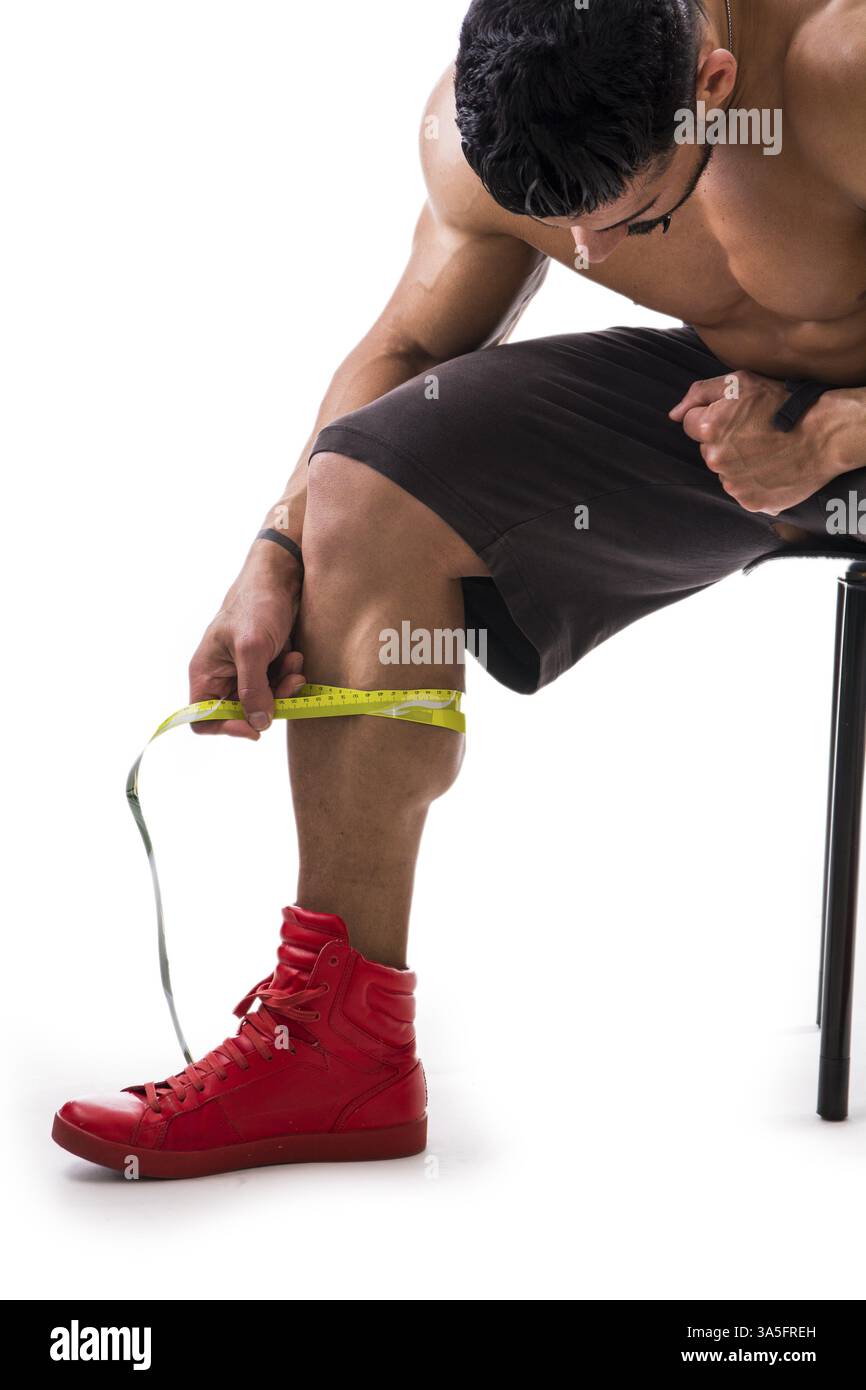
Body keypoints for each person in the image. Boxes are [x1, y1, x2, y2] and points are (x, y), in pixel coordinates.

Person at [54, 0, 866, 1177]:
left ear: (718, 83)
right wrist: (275, 550)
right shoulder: (475, 127)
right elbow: (409, 352)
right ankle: (341, 1046)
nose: (591, 258)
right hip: (738, 414)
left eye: (637, 218)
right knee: (364, 484)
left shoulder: (838, 65)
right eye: (560, 234)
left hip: (840, 429)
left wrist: (836, 434)